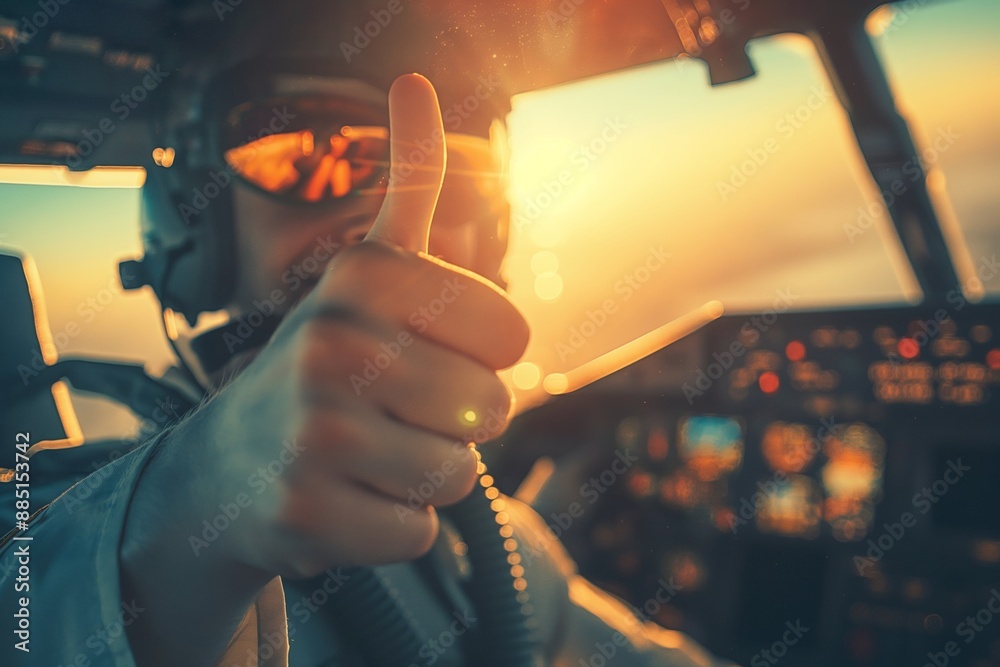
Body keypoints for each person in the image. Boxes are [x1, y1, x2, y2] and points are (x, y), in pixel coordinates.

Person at [1, 3, 735, 665]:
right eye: (307, 155)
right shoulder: (60, 511)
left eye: (452, 172)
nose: (373, 217)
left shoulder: (496, 545)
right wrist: (184, 514)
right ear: (198, 212)